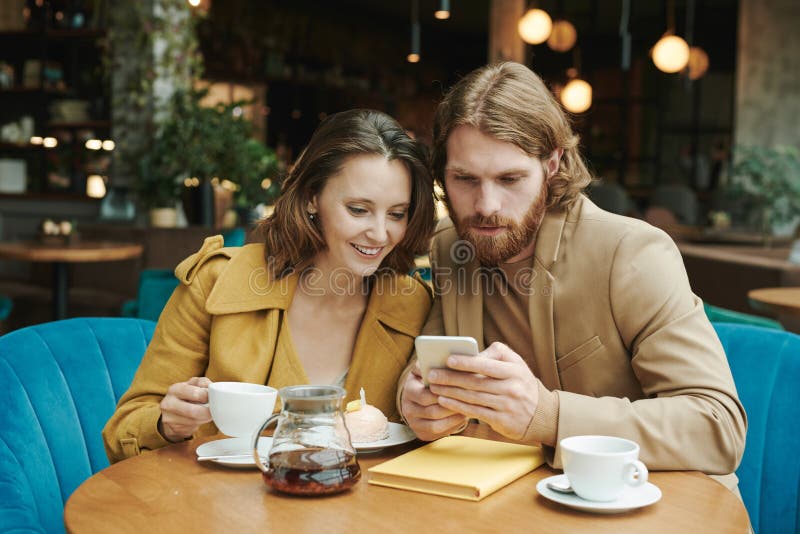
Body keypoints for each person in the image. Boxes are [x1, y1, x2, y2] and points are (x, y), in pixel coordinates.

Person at [398, 62, 746, 492]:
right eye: (464, 179)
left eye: (510, 179)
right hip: (519, 508)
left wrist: (547, 415)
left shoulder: (631, 253)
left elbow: (718, 426)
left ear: (552, 163)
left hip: (648, 507)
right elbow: (427, 366)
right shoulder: (453, 246)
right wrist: (414, 401)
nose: (485, 205)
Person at [104, 109, 436, 463]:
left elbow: (439, 433)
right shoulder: (217, 282)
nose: (381, 233)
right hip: (216, 509)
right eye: (358, 209)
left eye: (397, 214)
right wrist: (167, 423)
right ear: (312, 197)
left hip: (360, 511)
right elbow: (123, 431)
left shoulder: (413, 304)